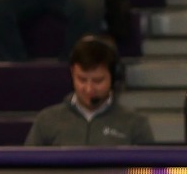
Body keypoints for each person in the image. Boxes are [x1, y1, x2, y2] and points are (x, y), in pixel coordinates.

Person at [24, 34, 154, 146]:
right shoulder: (46, 120)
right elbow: (27, 172)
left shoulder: (136, 124)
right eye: (82, 79)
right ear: (72, 74)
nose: (88, 88)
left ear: (113, 78)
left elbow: (151, 173)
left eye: (98, 81)